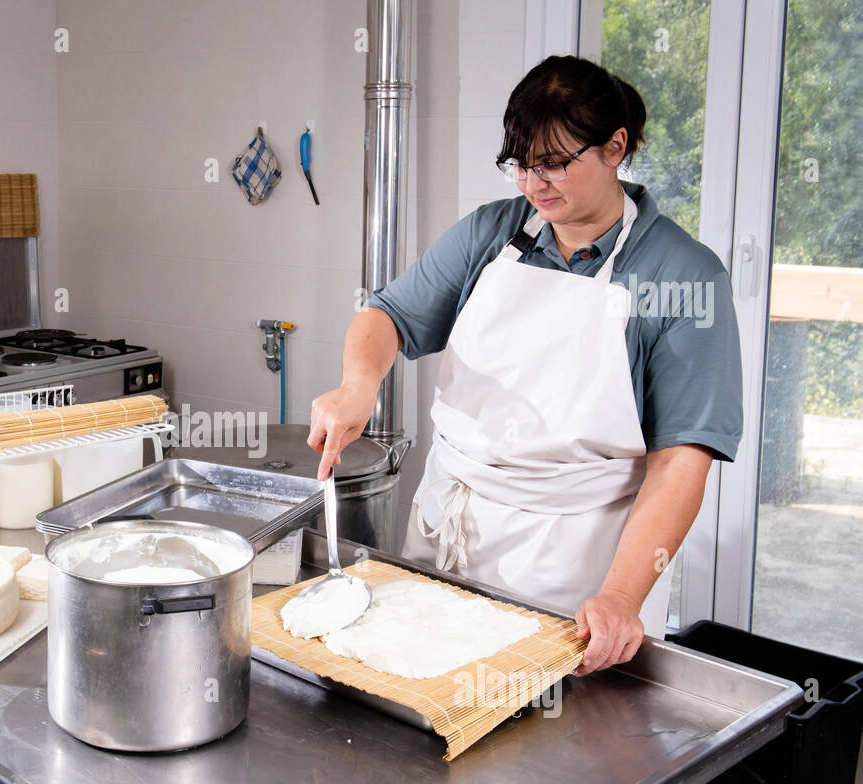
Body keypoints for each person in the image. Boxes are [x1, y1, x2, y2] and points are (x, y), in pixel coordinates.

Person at [307, 55, 742, 675]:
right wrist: (358, 386)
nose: (535, 184)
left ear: (616, 147)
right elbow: (388, 317)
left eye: (556, 163)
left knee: (543, 741)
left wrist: (620, 596)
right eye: (521, 164)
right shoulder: (494, 233)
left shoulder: (682, 275)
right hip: (447, 531)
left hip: (572, 568)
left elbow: (681, 463)